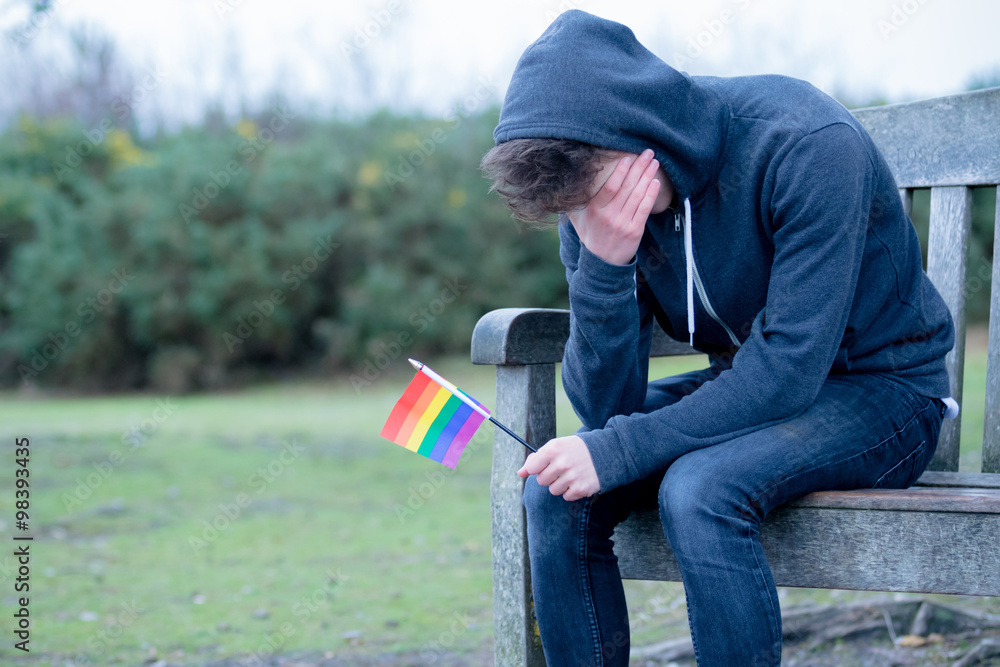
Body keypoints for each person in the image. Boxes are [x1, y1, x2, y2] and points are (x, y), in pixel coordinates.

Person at [479, 9, 960, 667]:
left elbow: (788, 367)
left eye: (590, 200)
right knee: (557, 489)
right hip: (747, 390)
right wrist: (604, 267)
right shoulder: (592, 211)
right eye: (571, 213)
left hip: (887, 392)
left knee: (700, 488)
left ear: (638, 137)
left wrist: (620, 445)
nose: (586, 221)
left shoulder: (805, 142)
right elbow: (606, 402)